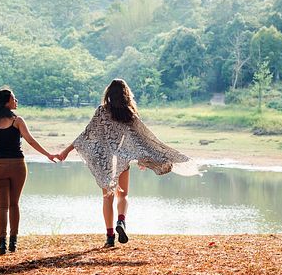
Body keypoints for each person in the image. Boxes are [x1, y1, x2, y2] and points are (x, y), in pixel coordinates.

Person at [58, 79, 191, 248]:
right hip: (122, 159)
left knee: (107, 197)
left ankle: (110, 237)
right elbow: (142, 140)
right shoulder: (129, 113)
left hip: (105, 161)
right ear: (125, 94)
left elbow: (85, 135)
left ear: (109, 93)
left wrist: (65, 151)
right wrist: (144, 159)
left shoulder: (101, 111)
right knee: (123, 195)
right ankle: (121, 221)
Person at [0, 88, 57, 255]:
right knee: (14, 204)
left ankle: (2, 244)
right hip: (17, 166)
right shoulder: (17, 121)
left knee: (2, 206)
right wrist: (48, 154)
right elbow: (31, 141)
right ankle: (13, 242)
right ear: (7, 102)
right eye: (14, 98)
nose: (16, 101)